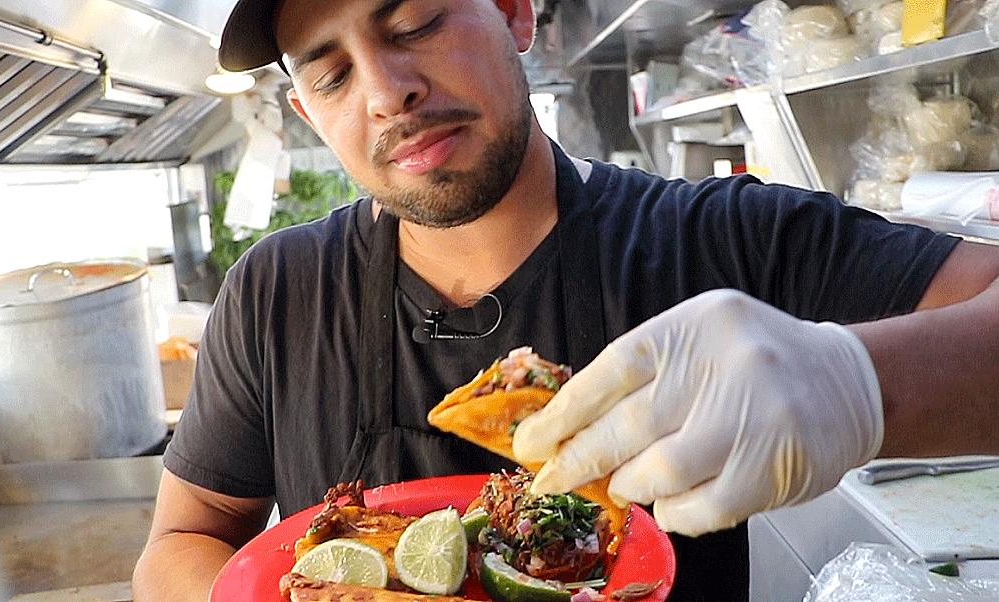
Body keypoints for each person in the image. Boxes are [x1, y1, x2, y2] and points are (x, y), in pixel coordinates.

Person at [132, 0, 999, 599]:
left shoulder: (722, 238)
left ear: (515, 12)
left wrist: (857, 385)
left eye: (417, 23)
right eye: (331, 76)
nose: (386, 93)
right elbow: (180, 541)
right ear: (306, 112)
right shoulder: (276, 292)